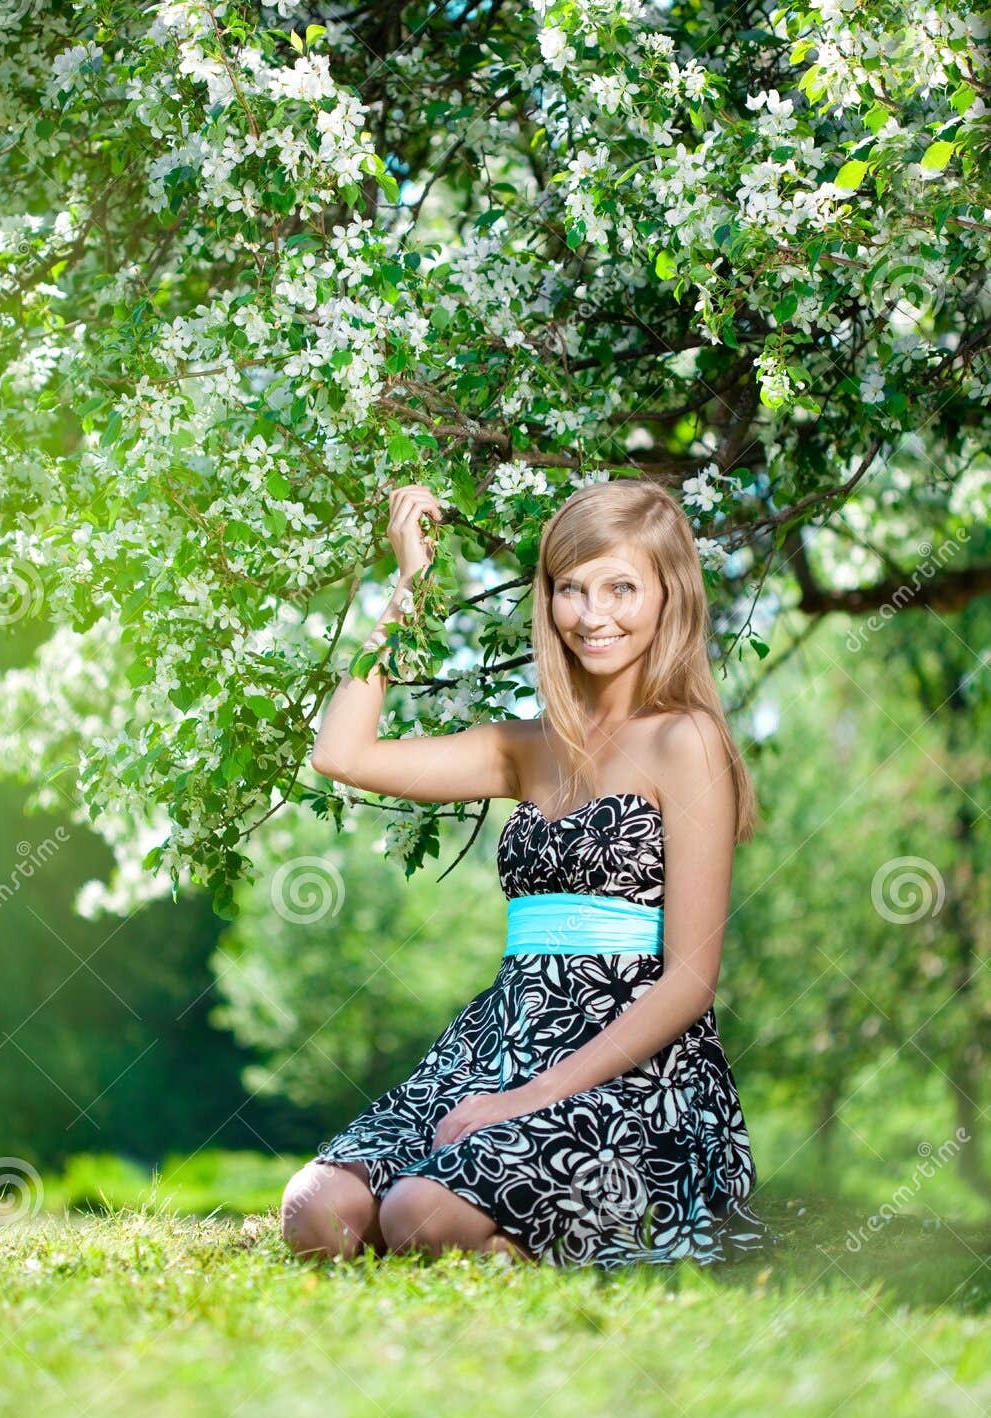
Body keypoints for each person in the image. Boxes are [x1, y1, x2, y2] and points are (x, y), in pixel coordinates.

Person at [280, 477, 770, 1269]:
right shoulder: (523, 747)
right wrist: (407, 586)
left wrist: (529, 1099)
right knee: (317, 1212)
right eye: (570, 588)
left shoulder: (685, 741)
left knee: (417, 1215)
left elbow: (689, 980)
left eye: (619, 588)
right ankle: (495, 1238)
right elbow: (342, 754)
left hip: (632, 1070)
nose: (592, 614)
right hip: (499, 1040)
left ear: (668, 595)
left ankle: (529, 1245)